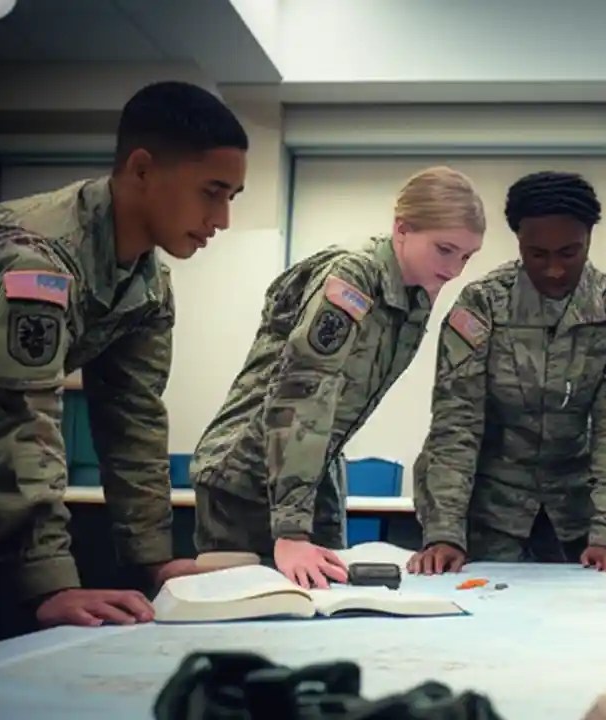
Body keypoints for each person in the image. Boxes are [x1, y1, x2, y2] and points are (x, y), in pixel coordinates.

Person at [0, 81, 248, 633]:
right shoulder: (32, 259)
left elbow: (134, 421)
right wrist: (49, 584)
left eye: (231, 198)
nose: (221, 219)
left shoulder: (148, 285)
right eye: (212, 192)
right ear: (142, 169)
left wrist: (155, 563)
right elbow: (11, 419)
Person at [190, 166, 486, 590]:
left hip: (310, 474)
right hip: (247, 474)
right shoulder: (353, 275)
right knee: (252, 606)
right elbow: (302, 392)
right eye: (445, 249)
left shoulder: (415, 295)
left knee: (331, 602)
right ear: (402, 229)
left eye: (466, 257)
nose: (455, 269)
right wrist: (291, 531)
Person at [407, 171, 606, 575]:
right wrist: (444, 533)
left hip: (578, 515)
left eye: (569, 253)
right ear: (519, 242)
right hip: (489, 512)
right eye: (538, 254)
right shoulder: (482, 304)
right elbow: (457, 422)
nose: (554, 269)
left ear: (589, 239)